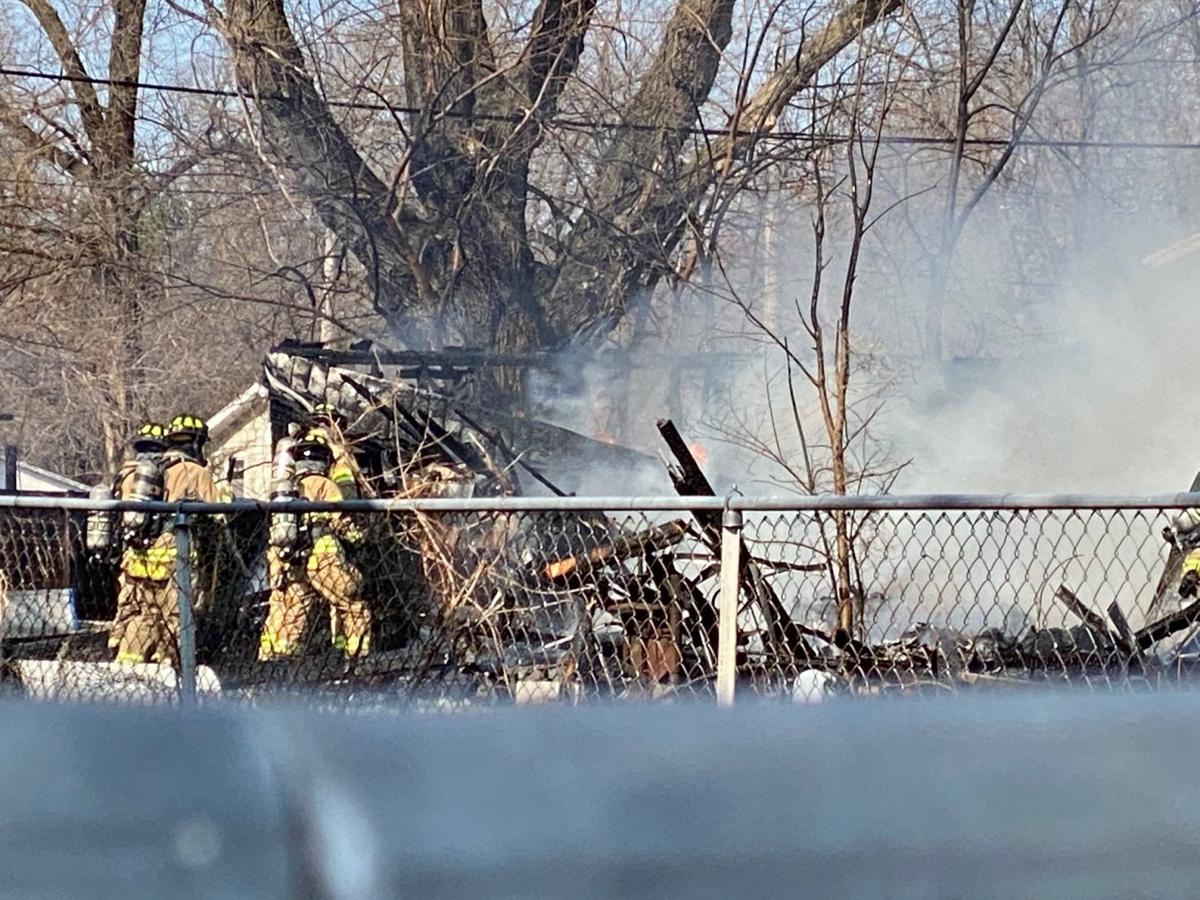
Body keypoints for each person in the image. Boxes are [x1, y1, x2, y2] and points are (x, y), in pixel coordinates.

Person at [114, 414, 219, 667]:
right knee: (176, 618)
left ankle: (127, 673)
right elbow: (218, 513)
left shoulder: (135, 473)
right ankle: (171, 673)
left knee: (141, 616)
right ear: (196, 443)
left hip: (137, 558)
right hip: (174, 558)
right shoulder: (194, 471)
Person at [259, 429, 370, 662]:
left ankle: (277, 661)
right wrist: (358, 537)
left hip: (292, 560)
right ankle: (358, 657)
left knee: (291, 609)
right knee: (352, 603)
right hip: (323, 556)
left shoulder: (287, 489)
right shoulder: (325, 485)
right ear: (324, 460)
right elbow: (341, 520)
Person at [107, 422, 169, 652]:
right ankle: (155, 655)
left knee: (127, 605)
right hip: (158, 553)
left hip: (129, 552)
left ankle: (117, 645)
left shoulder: (123, 475)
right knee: (153, 610)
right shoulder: (162, 474)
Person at [307, 402, 360, 499]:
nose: (323, 426)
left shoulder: (340, 457)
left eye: (327, 423)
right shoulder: (298, 444)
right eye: (318, 422)